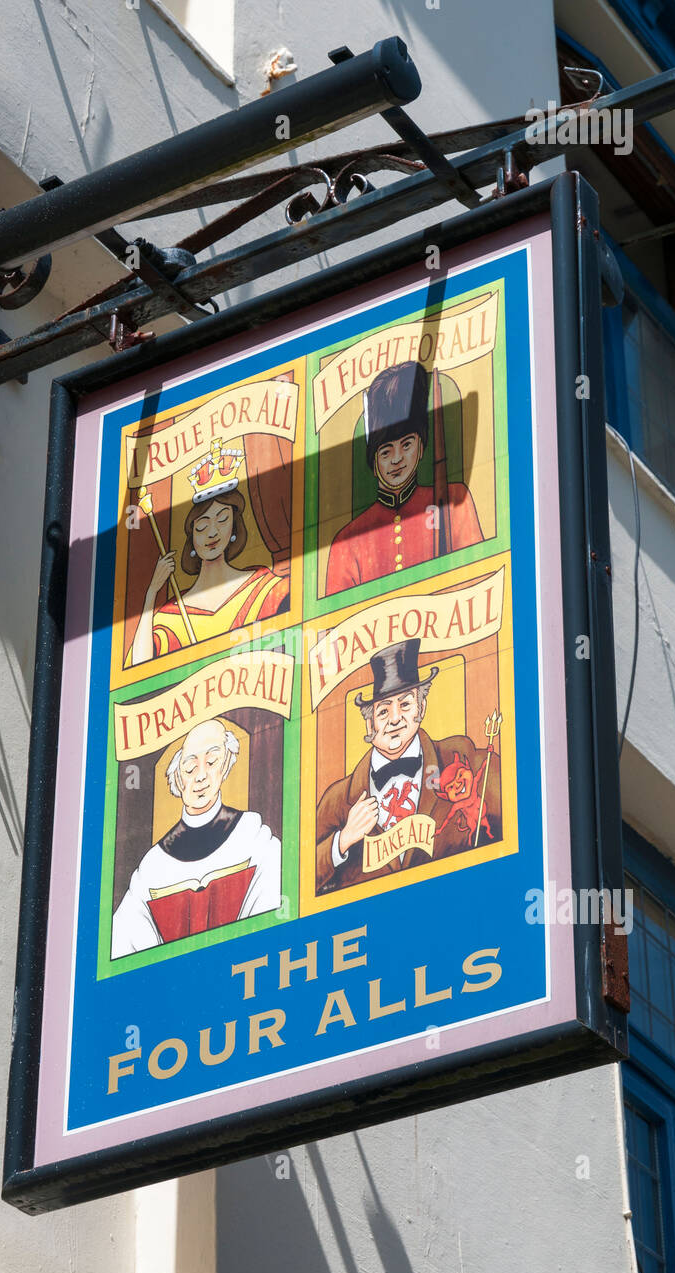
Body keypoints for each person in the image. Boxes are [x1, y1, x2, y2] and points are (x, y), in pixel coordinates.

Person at [315, 639, 501, 893]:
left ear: (420, 708)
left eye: (405, 705)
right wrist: (343, 840)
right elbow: (303, 880)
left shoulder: (461, 756)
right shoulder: (337, 799)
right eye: (383, 711)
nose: (395, 719)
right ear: (370, 724)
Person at [112, 719, 281, 957]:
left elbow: (271, 919)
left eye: (211, 762)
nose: (200, 776)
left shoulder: (254, 838)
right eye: (190, 768)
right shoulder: (153, 867)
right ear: (178, 778)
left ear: (226, 767)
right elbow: (124, 942)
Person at [325, 360, 483, 596]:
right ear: (374, 462)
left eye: (406, 444)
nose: (397, 459)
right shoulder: (346, 541)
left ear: (420, 448)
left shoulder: (455, 501)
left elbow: (477, 581)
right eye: (386, 451)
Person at [131, 446, 288, 665]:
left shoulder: (264, 588)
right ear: (191, 536)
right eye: (202, 526)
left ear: (234, 526)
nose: (212, 532)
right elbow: (139, 668)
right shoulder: (172, 615)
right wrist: (152, 593)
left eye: (222, 520)